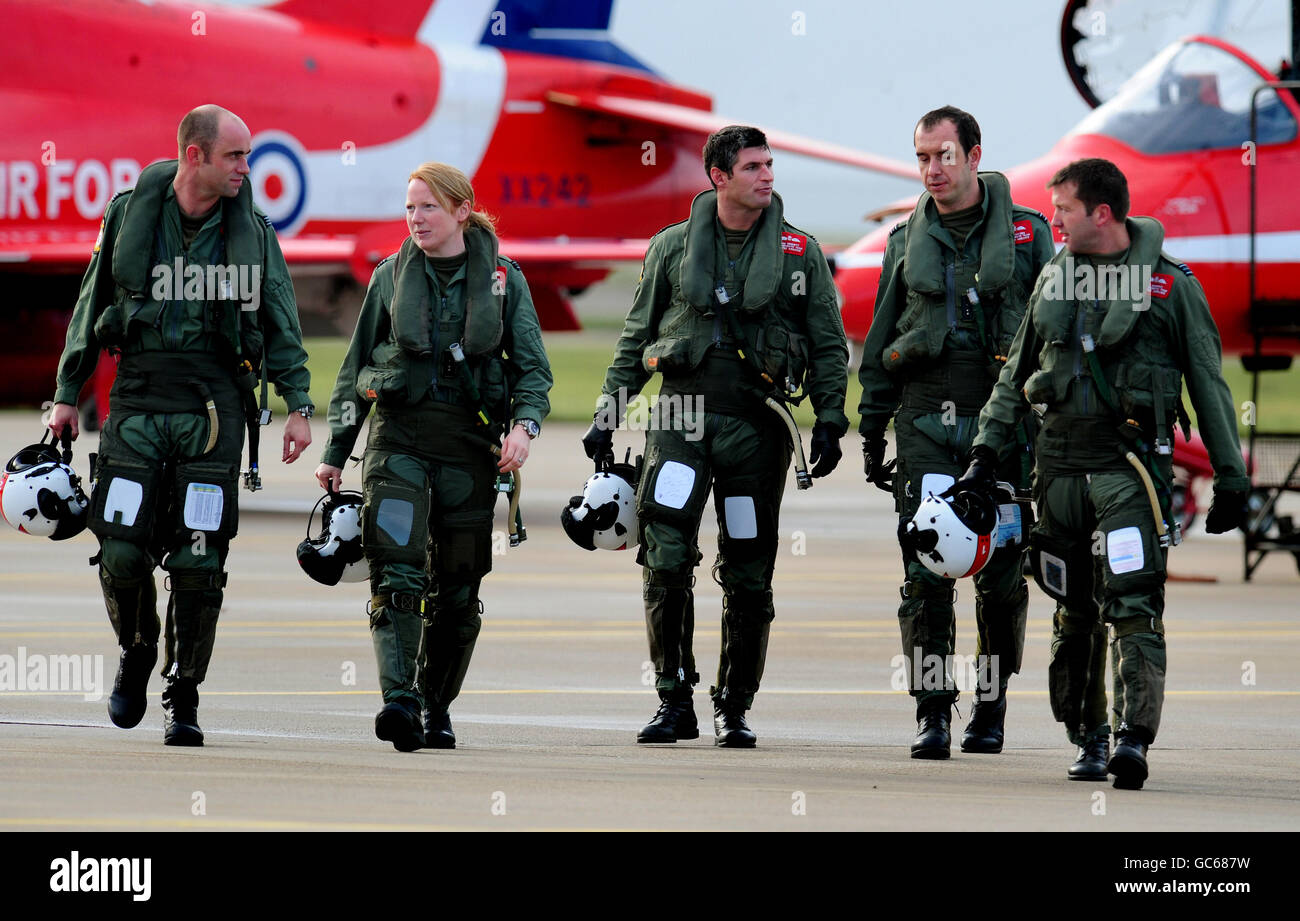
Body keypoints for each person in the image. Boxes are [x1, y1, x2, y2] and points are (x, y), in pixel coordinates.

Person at [954, 157, 1249, 788]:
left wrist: (1232, 478)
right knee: (1073, 610)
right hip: (1057, 473)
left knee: (1133, 604)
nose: (1053, 218)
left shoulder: (1171, 288)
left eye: (1063, 208)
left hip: (1128, 475)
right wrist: (984, 454)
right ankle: (1086, 736)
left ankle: (1131, 739)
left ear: (1103, 213)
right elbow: (1015, 375)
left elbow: (1209, 385)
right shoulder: (1053, 281)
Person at [48, 104, 314, 746]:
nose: (246, 169)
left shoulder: (249, 227)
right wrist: (66, 390)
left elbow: (280, 314)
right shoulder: (130, 213)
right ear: (195, 156)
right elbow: (93, 303)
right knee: (118, 548)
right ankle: (137, 649)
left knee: (199, 561)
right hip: (137, 399)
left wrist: (298, 405)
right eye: (235, 156)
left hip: (213, 413)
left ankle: (183, 693)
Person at [585, 125, 849, 748]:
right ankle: (673, 700)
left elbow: (828, 343)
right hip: (679, 422)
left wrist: (832, 420)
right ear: (719, 177)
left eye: (769, 165)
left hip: (758, 432)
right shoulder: (672, 248)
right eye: (753, 166)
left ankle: (735, 705)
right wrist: (608, 412)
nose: (767, 176)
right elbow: (635, 336)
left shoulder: (799, 254)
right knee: (665, 559)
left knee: (749, 571)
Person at [316, 162, 552, 752]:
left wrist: (523, 429)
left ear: (460, 212)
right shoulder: (390, 277)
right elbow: (354, 372)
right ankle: (399, 701)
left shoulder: (504, 280)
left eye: (427, 208)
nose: (415, 219)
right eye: (409, 208)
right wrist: (336, 451)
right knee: (396, 571)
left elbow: (532, 367)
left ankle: (436, 705)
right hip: (398, 443)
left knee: (459, 587)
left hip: (469, 451)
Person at [857, 106, 1054, 758]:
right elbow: (883, 336)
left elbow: (1049, 338)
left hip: (1001, 430)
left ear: (974, 155)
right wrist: (869, 427)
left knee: (999, 575)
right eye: (921, 157)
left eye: (944, 155)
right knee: (926, 570)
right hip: (923, 423)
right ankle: (933, 712)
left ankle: (990, 707)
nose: (932, 169)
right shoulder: (902, 241)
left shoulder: (1029, 237)